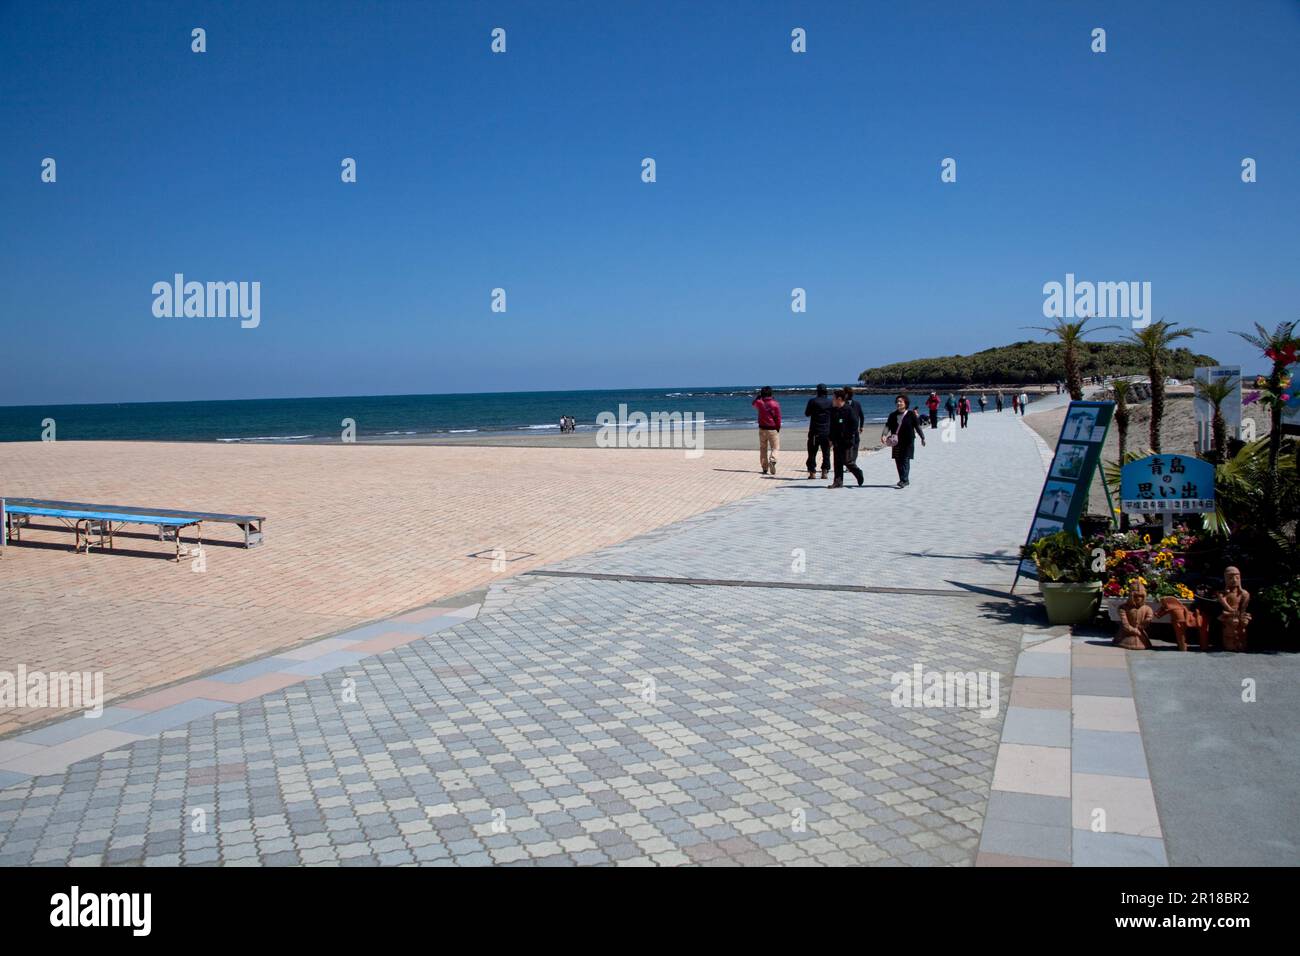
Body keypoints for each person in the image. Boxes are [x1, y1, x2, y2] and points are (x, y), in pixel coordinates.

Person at [881, 394, 926, 488]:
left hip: (908, 440)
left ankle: (904, 480)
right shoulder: (892, 415)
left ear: (906, 403)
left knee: (905, 459)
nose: (898, 403)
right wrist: (884, 435)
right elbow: (888, 426)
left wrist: (922, 437)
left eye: (901, 401)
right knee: (898, 460)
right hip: (896, 441)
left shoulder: (911, 414)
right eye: (897, 401)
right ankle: (903, 479)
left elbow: (917, 426)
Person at [827, 390, 864, 488]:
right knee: (837, 462)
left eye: (834, 398)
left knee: (847, 461)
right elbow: (831, 426)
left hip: (847, 440)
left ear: (839, 399)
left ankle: (858, 473)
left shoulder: (848, 409)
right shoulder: (833, 410)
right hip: (836, 440)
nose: (832, 400)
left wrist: (849, 435)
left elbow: (854, 424)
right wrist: (830, 439)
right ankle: (838, 482)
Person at [804, 384, 833, 480]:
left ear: (817, 391)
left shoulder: (812, 401)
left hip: (814, 431)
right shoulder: (830, 402)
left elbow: (807, 414)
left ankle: (812, 472)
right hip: (826, 431)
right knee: (826, 453)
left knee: (812, 452)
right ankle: (824, 471)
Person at [751, 386, 782, 475]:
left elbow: (753, 404)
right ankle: (772, 460)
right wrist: (778, 427)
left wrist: (758, 397)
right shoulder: (775, 403)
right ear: (771, 393)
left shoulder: (759, 402)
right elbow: (778, 417)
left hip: (762, 428)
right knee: (775, 447)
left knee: (763, 448)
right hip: (772, 428)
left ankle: (764, 467)